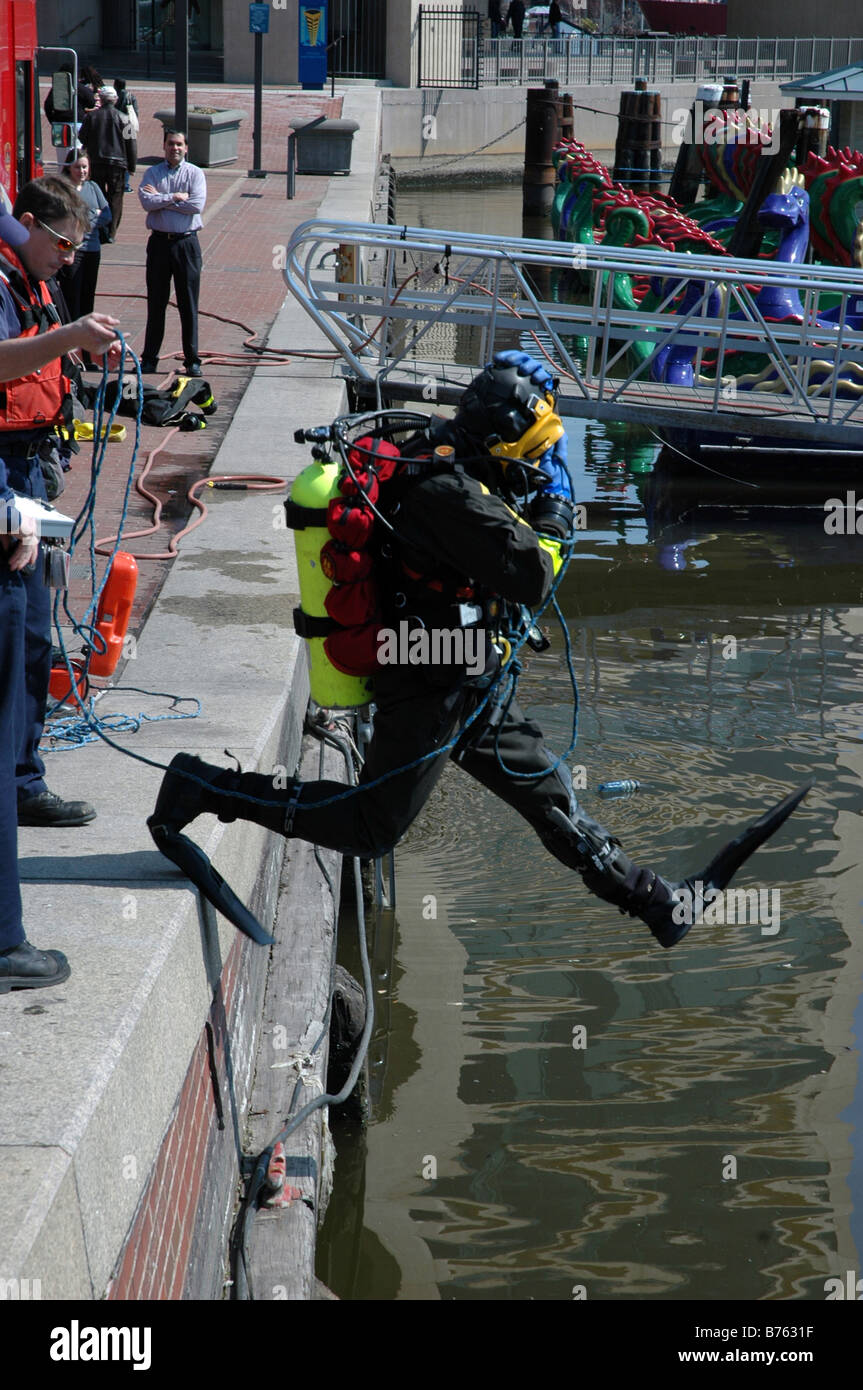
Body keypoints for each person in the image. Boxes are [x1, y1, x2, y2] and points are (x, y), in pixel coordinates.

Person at [147, 352, 809, 949]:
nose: (539, 462)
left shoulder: (444, 451)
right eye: (532, 450)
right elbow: (531, 572)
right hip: (426, 674)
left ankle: (655, 903)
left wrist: (526, 488)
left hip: (466, 668)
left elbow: (497, 519)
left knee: (545, 792)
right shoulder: (446, 493)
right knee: (371, 828)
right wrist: (554, 514)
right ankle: (205, 787)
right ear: (496, 442)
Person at [0, 177, 122, 829]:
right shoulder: (0, 279)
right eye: (64, 243)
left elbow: (46, 370)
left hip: (28, 466)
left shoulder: (38, 280)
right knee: (15, 627)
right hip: (0, 470)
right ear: (26, 224)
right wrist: (68, 335)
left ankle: (23, 780)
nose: (71, 257)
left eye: (79, 246)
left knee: (33, 632)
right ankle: (15, 784)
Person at [138, 130, 207, 377]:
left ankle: (192, 360)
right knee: (156, 304)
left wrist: (162, 199)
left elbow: (196, 205)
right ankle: (149, 358)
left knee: (188, 304)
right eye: (170, 144)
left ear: (186, 148)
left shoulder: (195, 173)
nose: (174, 148)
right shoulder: (153, 172)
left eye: (179, 144)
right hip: (159, 244)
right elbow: (146, 202)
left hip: (186, 244)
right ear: (164, 146)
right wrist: (176, 198)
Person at [58, 151, 112, 344]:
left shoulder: (93, 187)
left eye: (84, 167)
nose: (81, 171)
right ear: (69, 168)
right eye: (77, 167)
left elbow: (107, 216)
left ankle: (87, 348)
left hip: (92, 249)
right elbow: (64, 219)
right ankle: (70, 345)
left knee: (88, 298)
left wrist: (87, 219)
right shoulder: (64, 190)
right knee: (71, 297)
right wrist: (91, 216)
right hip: (72, 250)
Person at [77, 86, 134, 240]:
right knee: (116, 198)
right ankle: (112, 232)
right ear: (115, 100)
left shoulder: (91, 117)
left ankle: (100, 229)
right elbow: (131, 143)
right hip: (118, 165)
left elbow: (82, 137)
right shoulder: (124, 118)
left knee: (98, 195)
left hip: (96, 162)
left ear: (100, 100)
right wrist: (132, 165)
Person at [44, 64, 97, 172]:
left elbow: (47, 105)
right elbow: (91, 101)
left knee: (62, 156)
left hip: (60, 125)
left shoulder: (57, 89)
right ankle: (75, 174)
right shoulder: (78, 87)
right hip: (77, 123)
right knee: (77, 153)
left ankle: (63, 175)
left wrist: (53, 121)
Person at [113, 79, 139, 193]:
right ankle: (126, 184)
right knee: (128, 154)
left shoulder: (114, 96)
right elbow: (136, 112)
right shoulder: (130, 96)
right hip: (128, 127)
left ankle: (116, 181)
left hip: (115, 127)